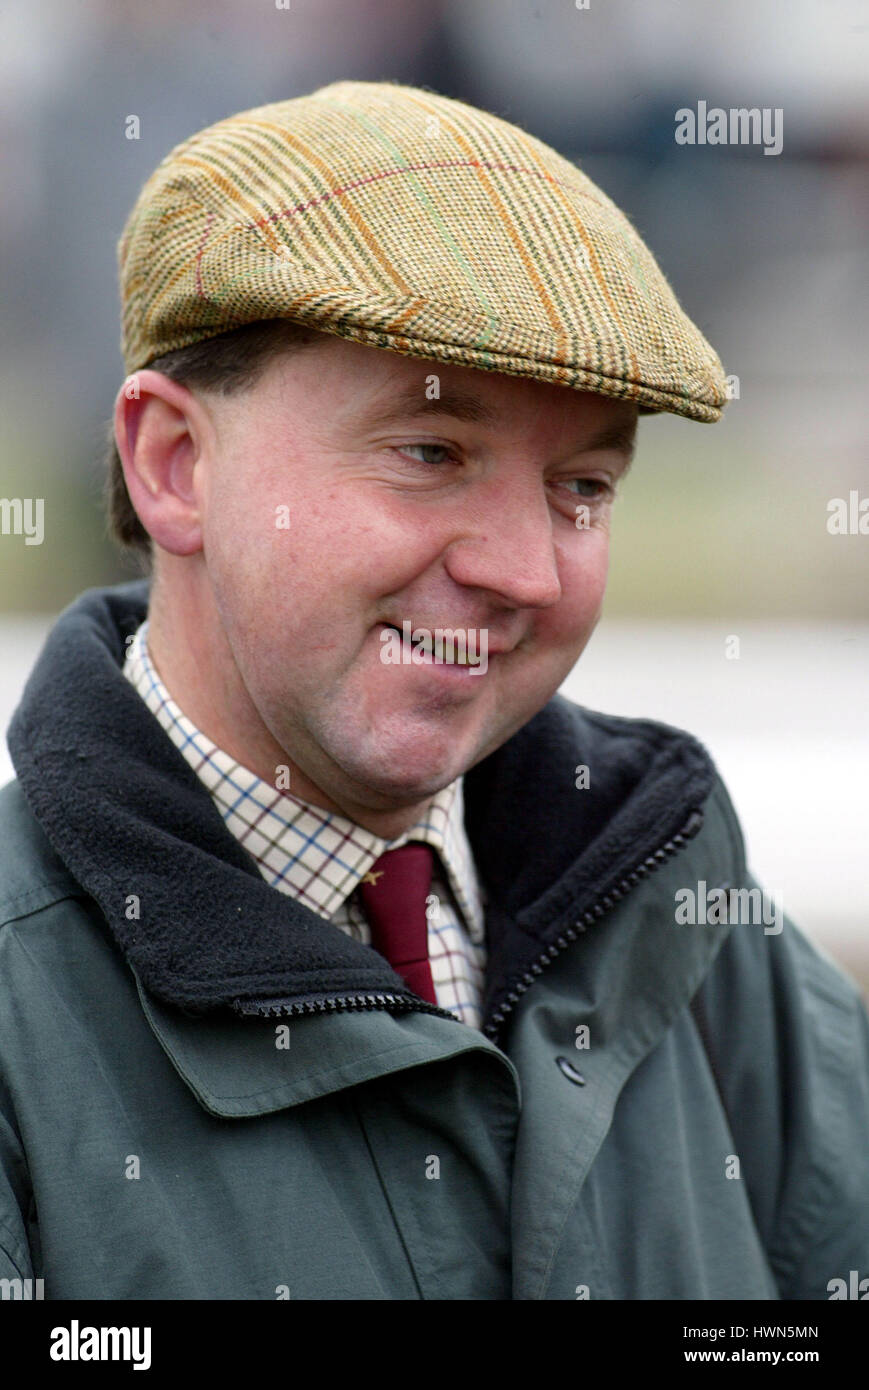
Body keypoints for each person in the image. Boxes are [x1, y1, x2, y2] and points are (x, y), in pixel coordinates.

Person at [1, 79, 867, 1302]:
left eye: (580, 487)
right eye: (429, 454)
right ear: (176, 466)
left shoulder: (697, 933)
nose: (521, 569)